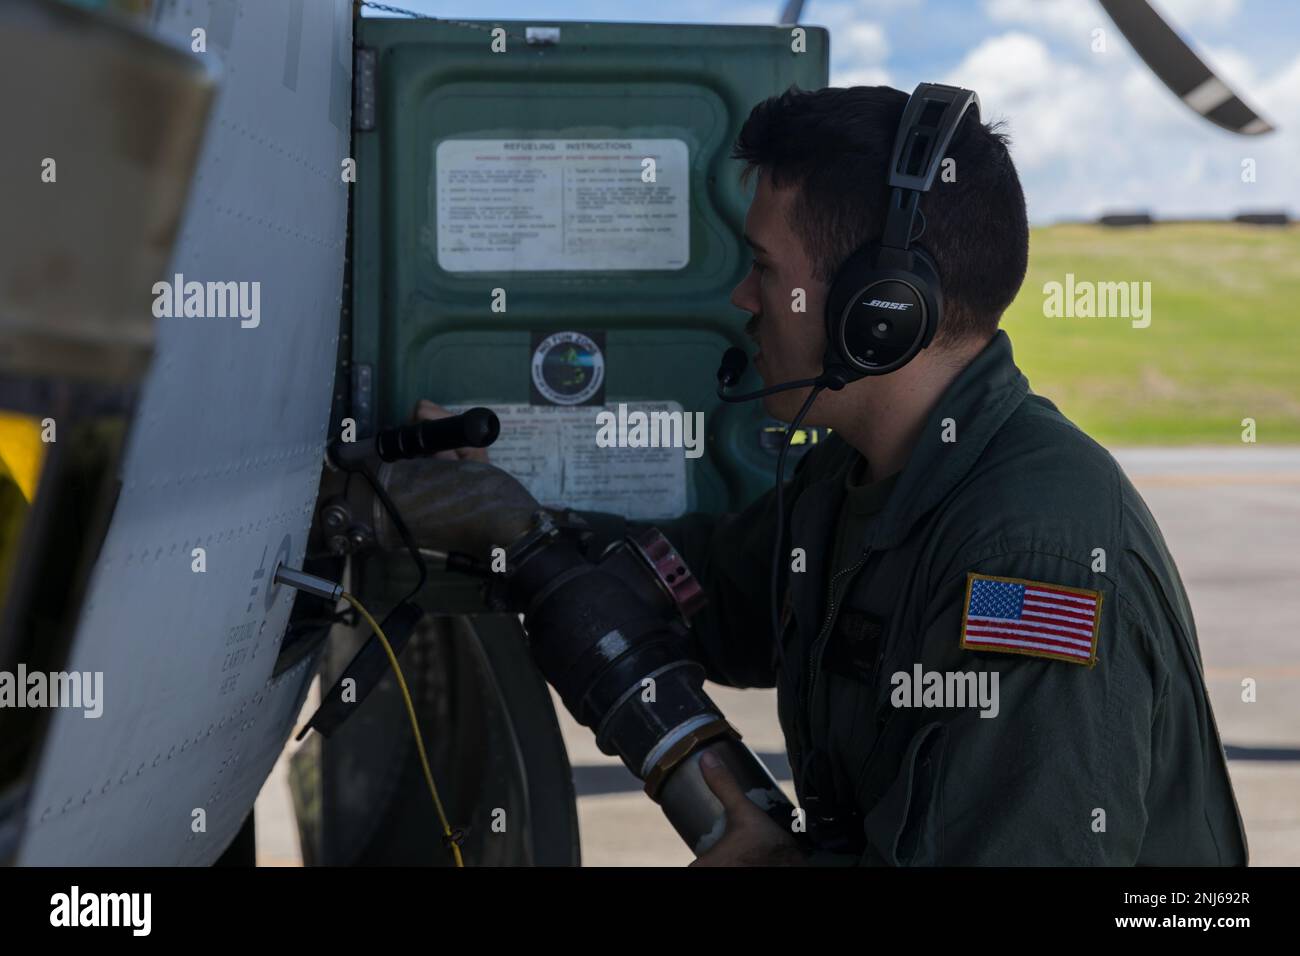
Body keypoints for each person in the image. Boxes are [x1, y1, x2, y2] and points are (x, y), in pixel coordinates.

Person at [418, 85, 1248, 866]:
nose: (744, 297)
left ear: (878, 313)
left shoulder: (1032, 559)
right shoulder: (846, 484)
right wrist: (511, 523)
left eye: (766, 270)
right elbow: (700, 592)